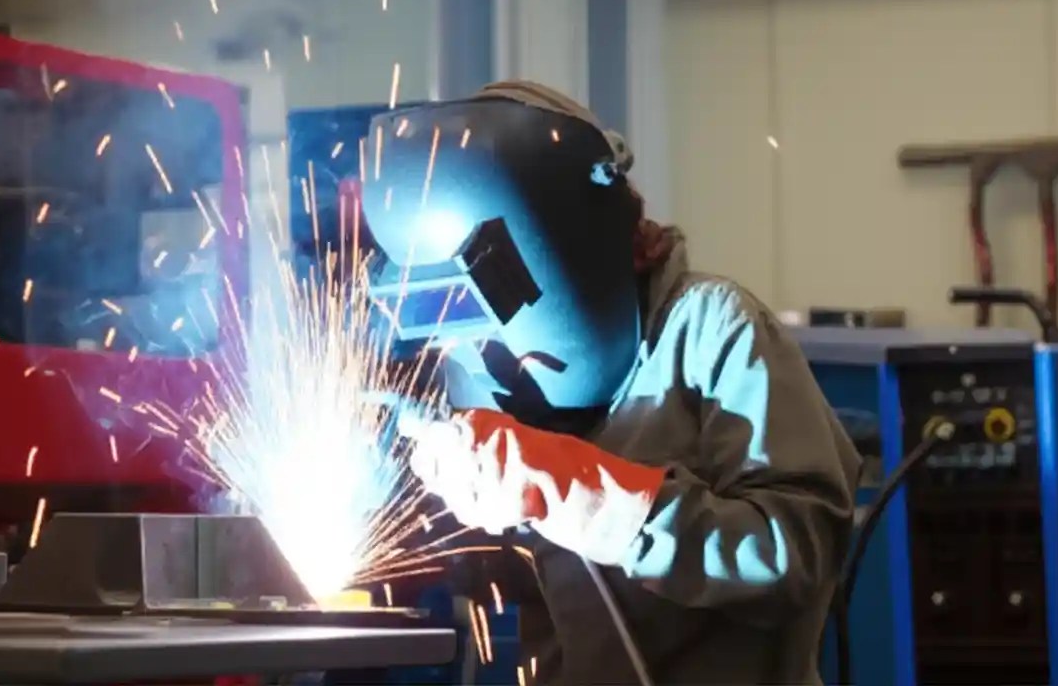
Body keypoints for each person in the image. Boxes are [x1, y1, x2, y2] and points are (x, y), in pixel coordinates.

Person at [360, 81, 861, 685]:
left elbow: (795, 560)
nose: (479, 346)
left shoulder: (713, 329)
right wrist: (425, 523)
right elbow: (509, 584)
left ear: (557, 245)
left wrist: (583, 491)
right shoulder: (472, 362)